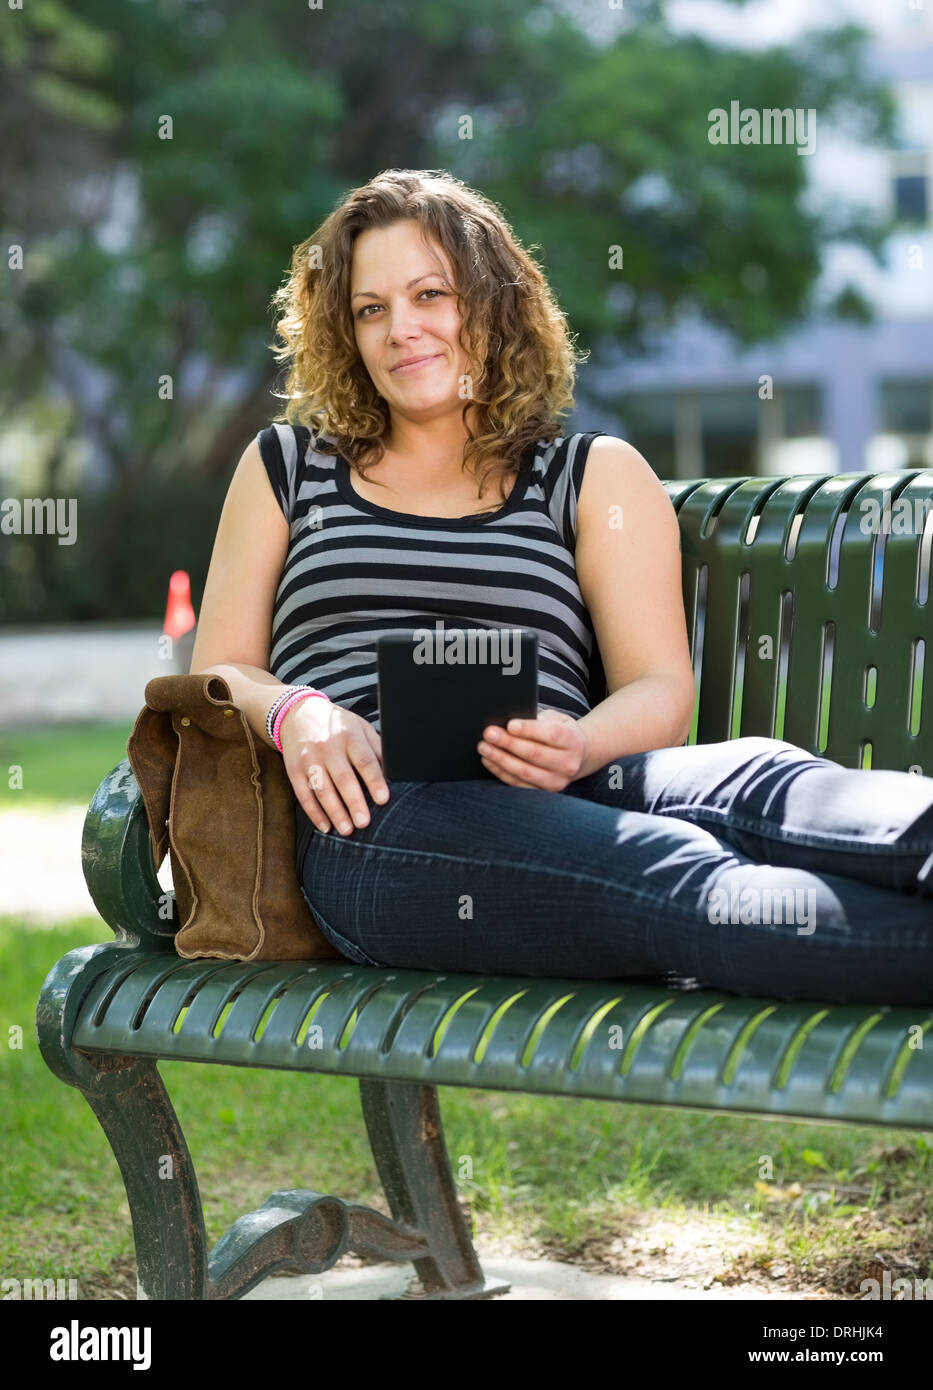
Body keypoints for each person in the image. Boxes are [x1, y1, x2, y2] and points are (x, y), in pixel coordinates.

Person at [190, 169, 933, 1004]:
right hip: (372, 824)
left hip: (568, 783)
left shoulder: (591, 475)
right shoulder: (288, 467)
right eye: (371, 309)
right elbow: (222, 669)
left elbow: (657, 688)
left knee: (758, 779)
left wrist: (577, 743)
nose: (401, 329)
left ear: (492, 303)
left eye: (430, 294)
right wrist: (298, 713)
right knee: (673, 877)